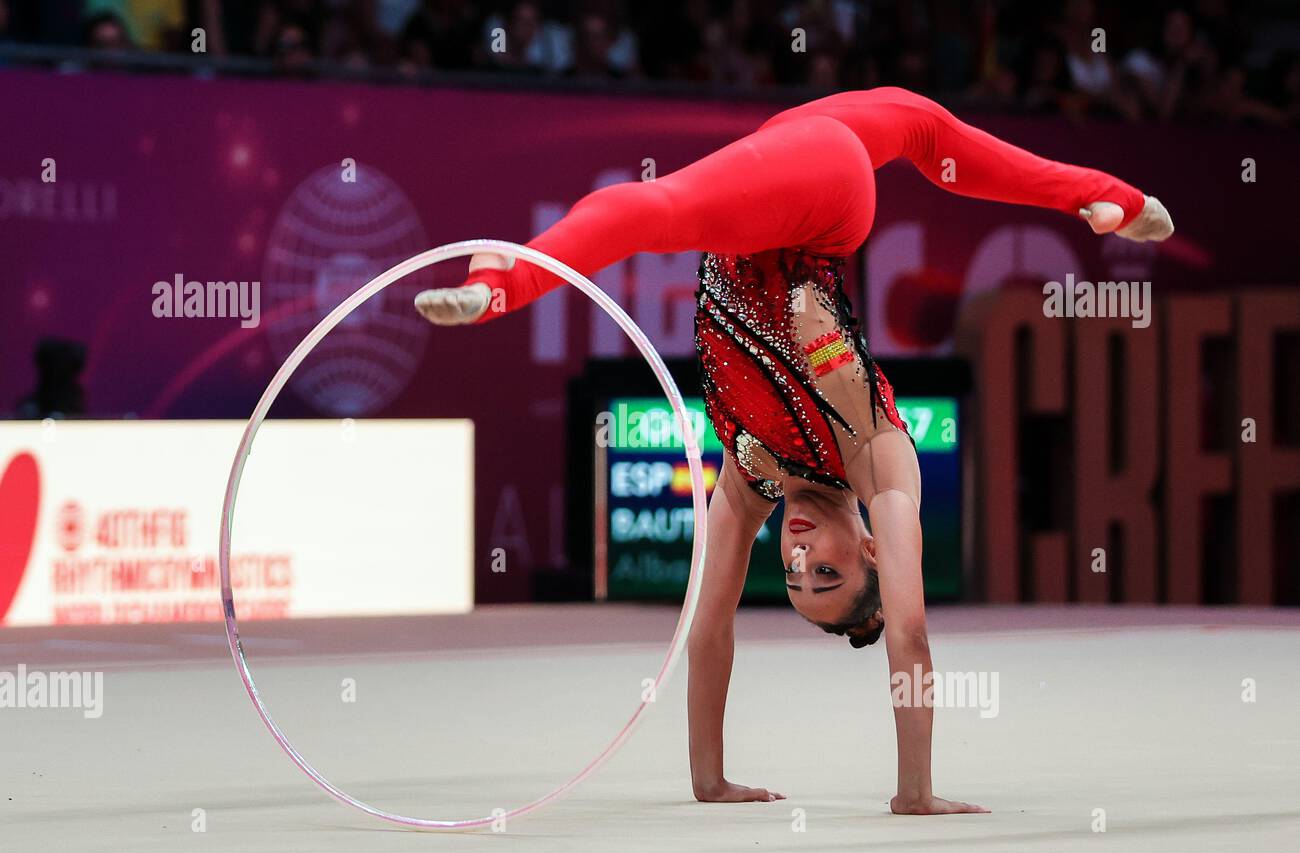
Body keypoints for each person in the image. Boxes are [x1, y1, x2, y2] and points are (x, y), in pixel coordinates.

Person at [414, 86, 1173, 813]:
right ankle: (502, 285)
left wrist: (709, 779)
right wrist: (916, 790)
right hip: (815, 211)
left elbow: (709, 624)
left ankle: (1112, 199)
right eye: (831, 571)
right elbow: (907, 630)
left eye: (795, 576)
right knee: (655, 209)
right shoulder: (879, 461)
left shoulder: (749, 477)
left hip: (783, 169)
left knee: (924, 130)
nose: (800, 555)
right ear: (873, 549)